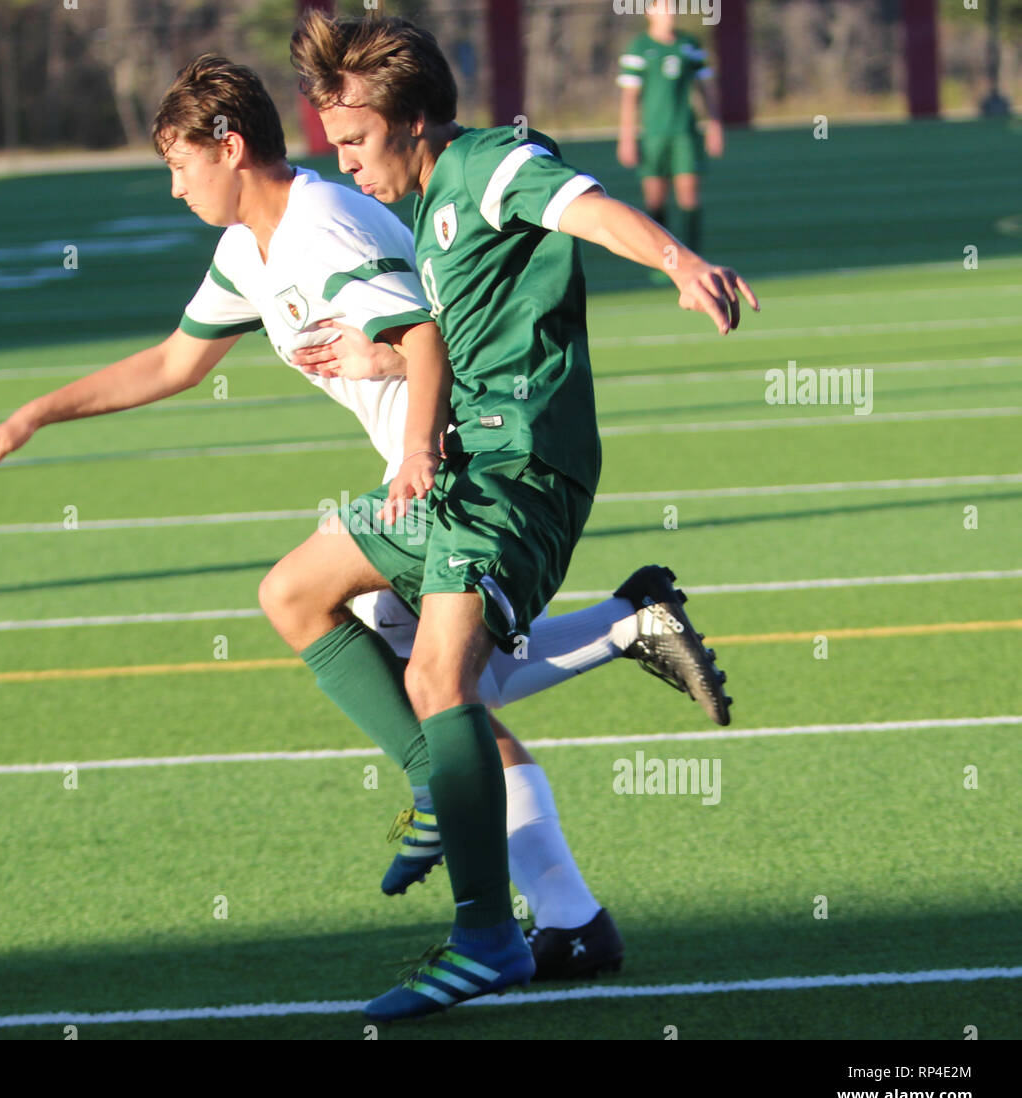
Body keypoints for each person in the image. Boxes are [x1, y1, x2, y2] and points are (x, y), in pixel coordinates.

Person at [0, 55, 722, 984]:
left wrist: (420, 446)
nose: (175, 185)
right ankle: (569, 906)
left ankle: (498, 891)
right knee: (425, 676)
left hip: (466, 476)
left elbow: (428, 333)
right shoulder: (249, 248)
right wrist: (30, 418)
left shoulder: (327, 224)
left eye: (180, 163)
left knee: (441, 689)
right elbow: (170, 364)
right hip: (428, 476)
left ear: (230, 148)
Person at [265, 10, 755, 1021]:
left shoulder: (490, 163)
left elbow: (587, 208)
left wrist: (675, 262)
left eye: (353, 142)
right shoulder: (428, 207)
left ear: (409, 121)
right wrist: (380, 358)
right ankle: (448, 788)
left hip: (523, 470)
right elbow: (472, 327)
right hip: (462, 469)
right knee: (296, 590)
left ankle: (487, 934)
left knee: (441, 676)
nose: (343, 163)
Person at [617, 2, 722, 279]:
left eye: (672, 8)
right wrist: (626, 137)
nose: (669, 13)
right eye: (663, 8)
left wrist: (714, 124)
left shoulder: (689, 44)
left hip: (684, 134)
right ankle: (662, 262)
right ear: (650, 13)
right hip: (653, 136)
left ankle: (694, 260)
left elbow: (705, 88)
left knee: (688, 196)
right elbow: (630, 98)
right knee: (655, 200)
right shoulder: (639, 47)